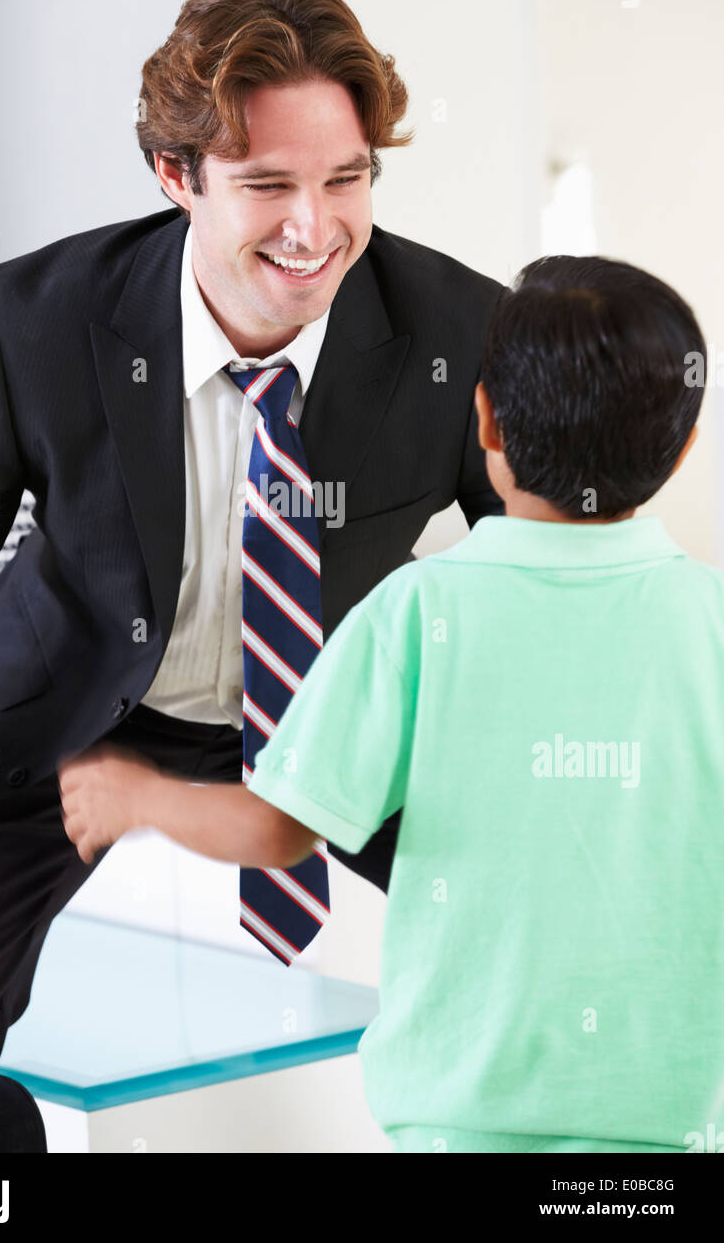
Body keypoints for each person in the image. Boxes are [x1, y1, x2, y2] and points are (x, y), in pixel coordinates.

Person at [0, 0, 504, 1068]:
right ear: (176, 175)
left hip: (328, 707)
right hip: (69, 711)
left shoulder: (460, 331)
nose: (314, 229)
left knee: (542, 916)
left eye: (346, 178)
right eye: (266, 184)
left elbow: (540, 573)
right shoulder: (37, 322)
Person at [62, 254, 724, 1153]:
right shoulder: (711, 623)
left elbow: (280, 830)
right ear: (685, 447)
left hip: (461, 1117)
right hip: (674, 1118)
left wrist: (138, 796)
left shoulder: (418, 613)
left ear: (485, 420)